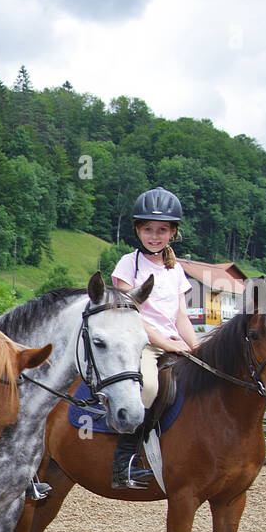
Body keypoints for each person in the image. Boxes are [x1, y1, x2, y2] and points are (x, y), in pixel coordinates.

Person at [109, 185, 198, 489]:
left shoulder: (176, 271)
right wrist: (166, 343)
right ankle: (125, 463)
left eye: (162, 230)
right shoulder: (127, 264)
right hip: (141, 343)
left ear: (173, 232)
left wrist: (198, 347)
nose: (155, 236)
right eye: (148, 229)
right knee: (147, 387)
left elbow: (181, 317)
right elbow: (129, 314)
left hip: (173, 341)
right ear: (137, 230)